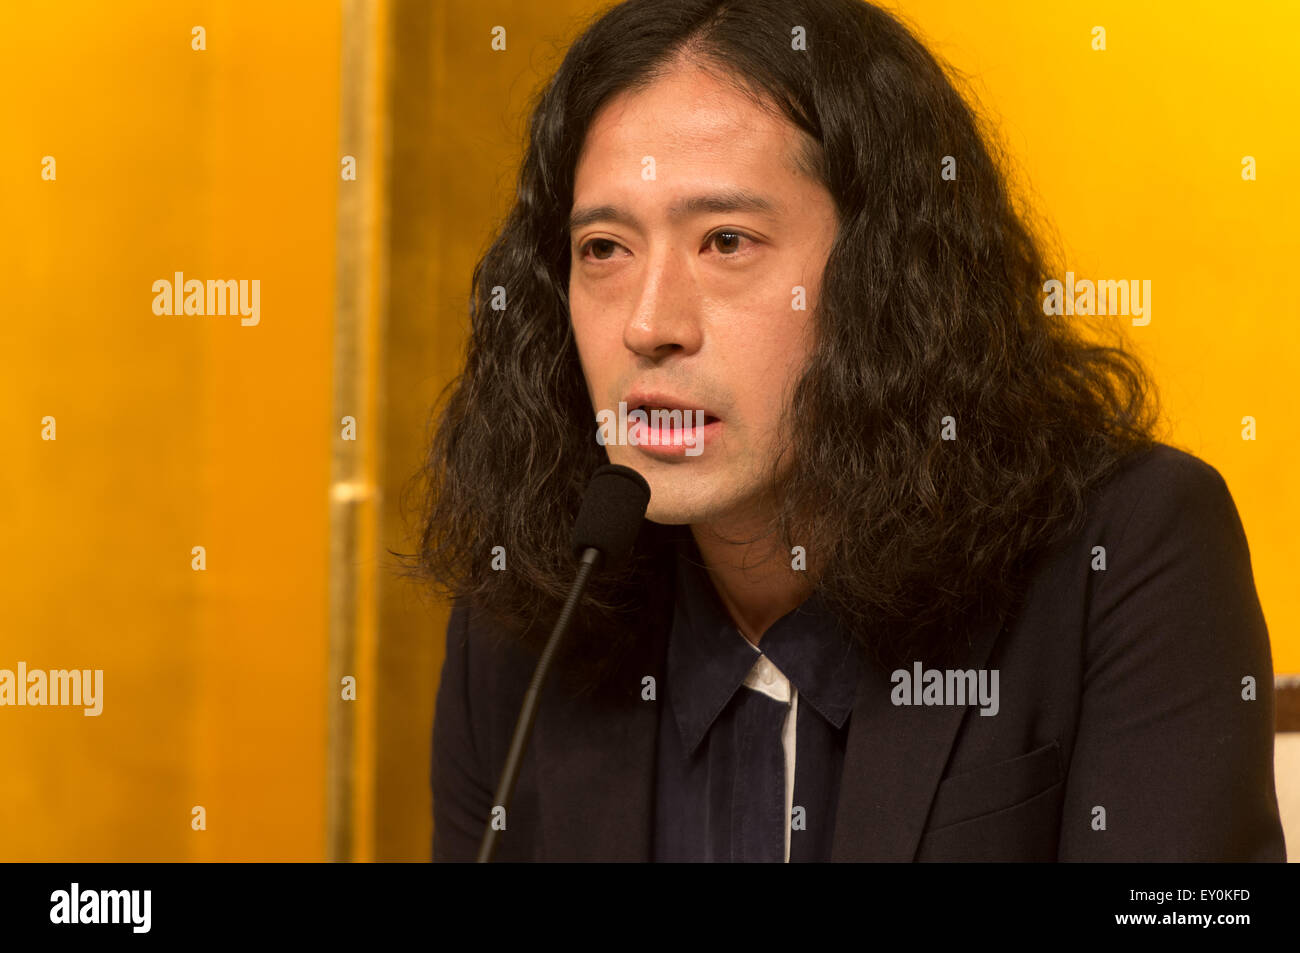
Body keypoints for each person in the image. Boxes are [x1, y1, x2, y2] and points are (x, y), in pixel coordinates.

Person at [408, 0, 1286, 861]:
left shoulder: (1129, 551)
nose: (648, 323)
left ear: (885, 275)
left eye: (725, 241)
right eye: (604, 248)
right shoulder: (532, 613)